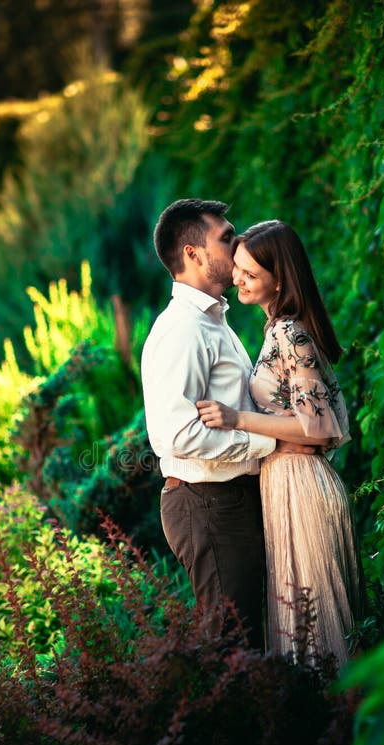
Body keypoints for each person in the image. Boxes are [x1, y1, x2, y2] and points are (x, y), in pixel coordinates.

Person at [196, 220, 364, 667]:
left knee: (318, 635)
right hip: (284, 483)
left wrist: (237, 419)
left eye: (250, 274)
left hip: (303, 488)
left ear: (280, 279)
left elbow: (321, 427)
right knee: (301, 630)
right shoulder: (276, 330)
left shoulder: (291, 332)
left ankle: (344, 728)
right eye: (237, 269)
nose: (237, 279)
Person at [141, 199, 276, 648]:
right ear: (193, 254)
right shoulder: (183, 329)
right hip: (208, 503)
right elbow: (174, 435)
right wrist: (266, 443)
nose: (237, 244)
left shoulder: (214, 321)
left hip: (228, 499)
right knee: (235, 647)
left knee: (250, 638)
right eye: (225, 237)